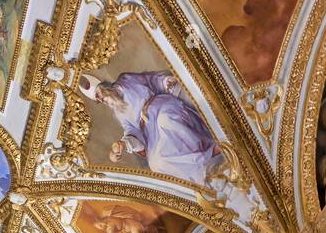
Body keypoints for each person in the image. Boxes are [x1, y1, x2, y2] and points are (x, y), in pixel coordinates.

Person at [81, 71, 221, 188]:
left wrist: (166, 82)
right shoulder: (118, 111)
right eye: (99, 101)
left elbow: (152, 80)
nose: (102, 101)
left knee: (166, 121)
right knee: (155, 163)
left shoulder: (126, 80)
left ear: (104, 87)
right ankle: (200, 176)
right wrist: (123, 144)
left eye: (100, 96)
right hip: (150, 131)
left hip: (162, 107)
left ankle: (207, 153)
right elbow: (131, 130)